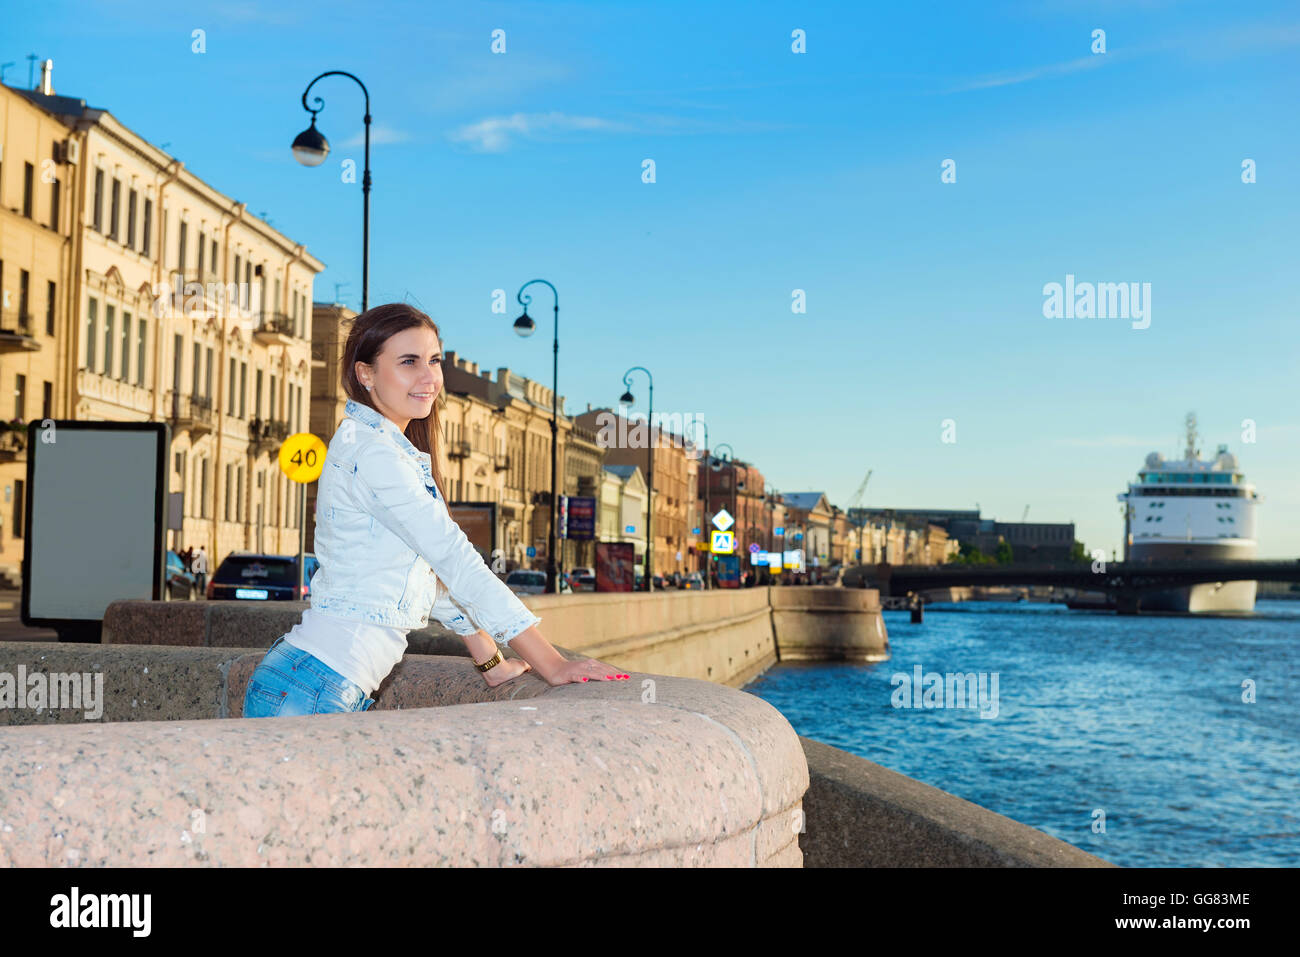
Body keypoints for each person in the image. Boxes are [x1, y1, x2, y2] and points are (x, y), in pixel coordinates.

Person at [243, 303, 628, 719]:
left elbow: (428, 572)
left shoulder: (376, 443)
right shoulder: (372, 452)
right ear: (365, 373)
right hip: (311, 688)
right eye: (408, 362)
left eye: (434, 361)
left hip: (311, 681)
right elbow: (455, 560)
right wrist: (552, 664)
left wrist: (490, 661)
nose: (429, 378)